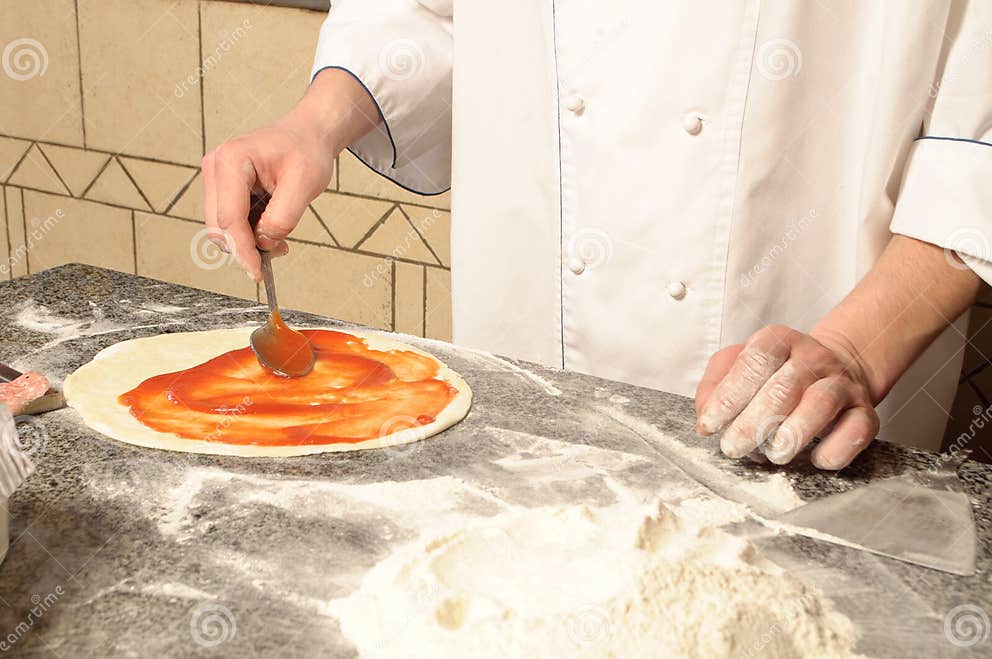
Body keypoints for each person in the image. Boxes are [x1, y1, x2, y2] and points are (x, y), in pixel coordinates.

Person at [202, 1, 991, 469]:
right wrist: (313, 125)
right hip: (526, 366)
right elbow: (418, 12)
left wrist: (853, 351)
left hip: (800, 370)